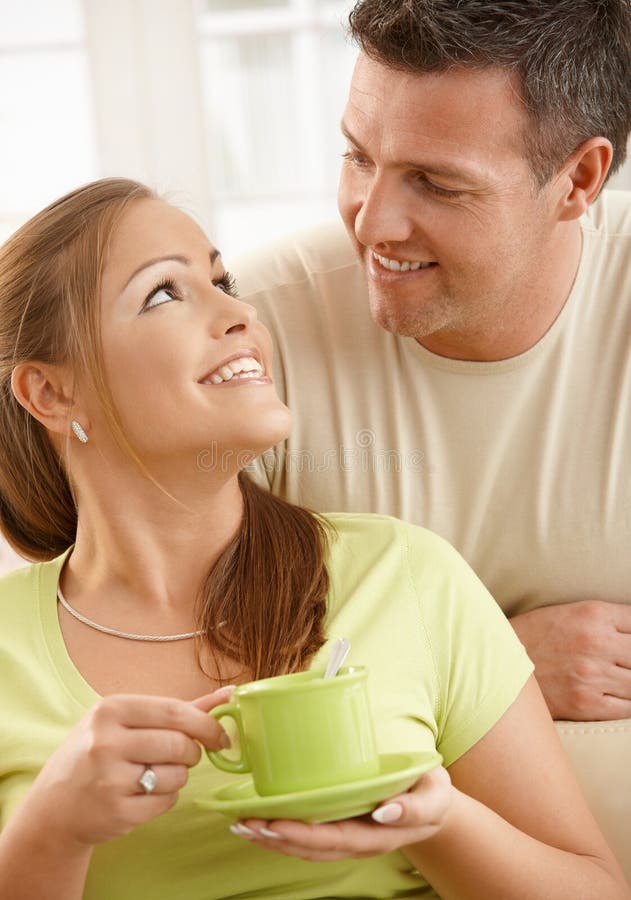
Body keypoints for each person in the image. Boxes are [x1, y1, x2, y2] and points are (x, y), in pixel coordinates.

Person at [0, 178, 628, 900]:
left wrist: (435, 818)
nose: (240, 314)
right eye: (164, 294)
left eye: (222, 282)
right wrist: (52, 829)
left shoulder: (406, 577)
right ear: (51, 393)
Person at [232, 0, 631, 875]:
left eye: (437, 184)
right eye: (357, 157)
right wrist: (489, 670)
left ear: (577, 179)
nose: (370, 221)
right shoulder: (246, 337)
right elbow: (161, 662)